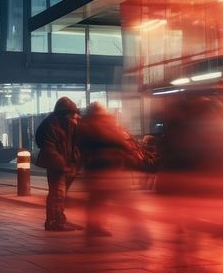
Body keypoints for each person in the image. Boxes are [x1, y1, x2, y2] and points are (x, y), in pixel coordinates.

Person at [76, 102, 148, 240]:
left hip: (93, 169)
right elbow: (121, 141)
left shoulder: (83, 125)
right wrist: (132, 154)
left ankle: (93, 229)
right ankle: (140, 233)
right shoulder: (107, 124)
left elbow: (80, 146)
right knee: (126, 201)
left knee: (96, 202)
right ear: (102, 112)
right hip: (111, 168)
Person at [34, 97, 82, 232]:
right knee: (58, 194)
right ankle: (55, 222)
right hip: (58, 165)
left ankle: (56, 220)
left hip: (65, 164)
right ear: (65, 113)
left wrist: (74, 161)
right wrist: (62, 165)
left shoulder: (70, 124)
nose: (75, 117)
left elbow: (76, 144)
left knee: (59, 194)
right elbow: (49, 147)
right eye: (72, 114)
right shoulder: (53, 125)